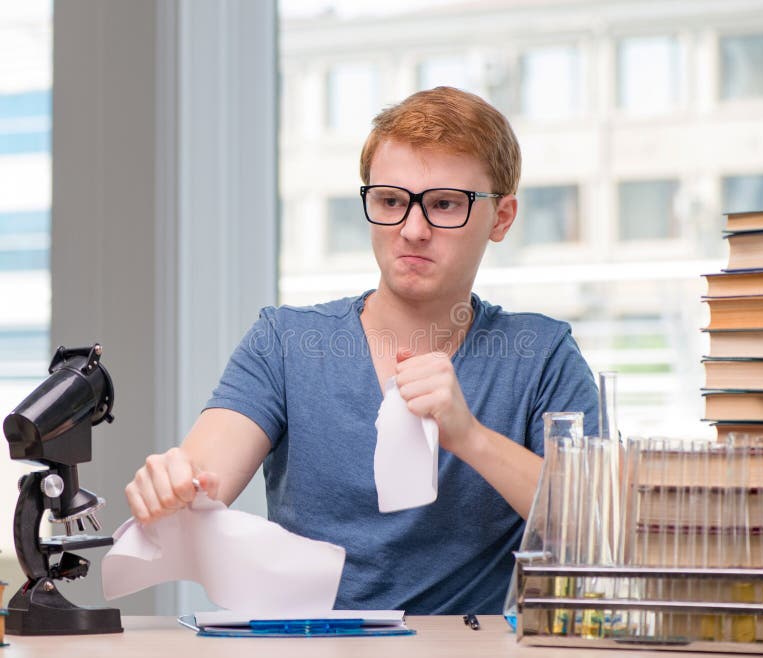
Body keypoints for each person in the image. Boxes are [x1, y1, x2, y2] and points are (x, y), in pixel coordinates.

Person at [125, 86, 599, 614]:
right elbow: (202, 478)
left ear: (502, 218)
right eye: (391, 202)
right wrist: (169, 487)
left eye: (444, 205)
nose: (412, 230)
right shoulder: (284, 343)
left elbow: (595, 524)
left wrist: (470, 438)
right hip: (312, 647)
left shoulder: (541, 355)